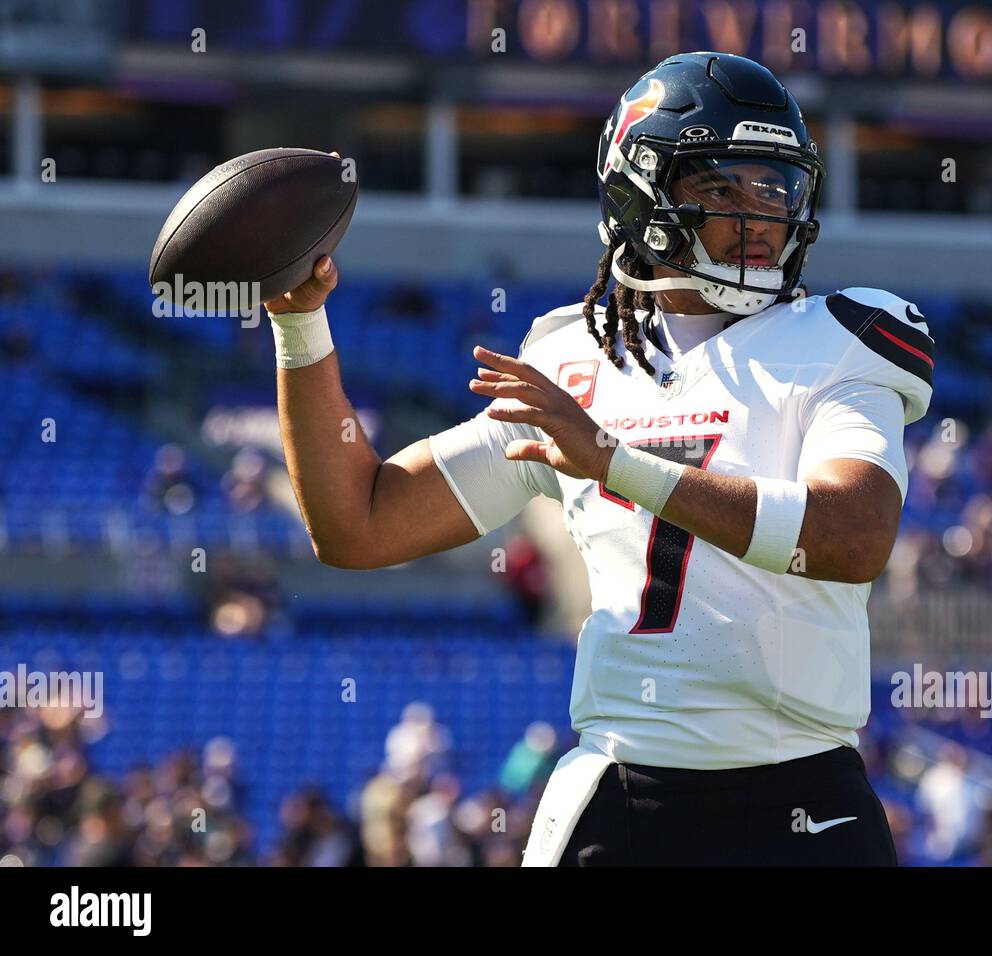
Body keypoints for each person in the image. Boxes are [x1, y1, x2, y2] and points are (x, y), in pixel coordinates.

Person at [262, 53, 933, 866]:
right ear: (641, 194)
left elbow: (850, 534)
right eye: (723, 187)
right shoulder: (574, 359)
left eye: (776, 187)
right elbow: (357, 525)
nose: (758, 216)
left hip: (801, 803)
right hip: (619, 805)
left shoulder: (841, 340)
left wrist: (614, 459)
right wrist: (300, 323)